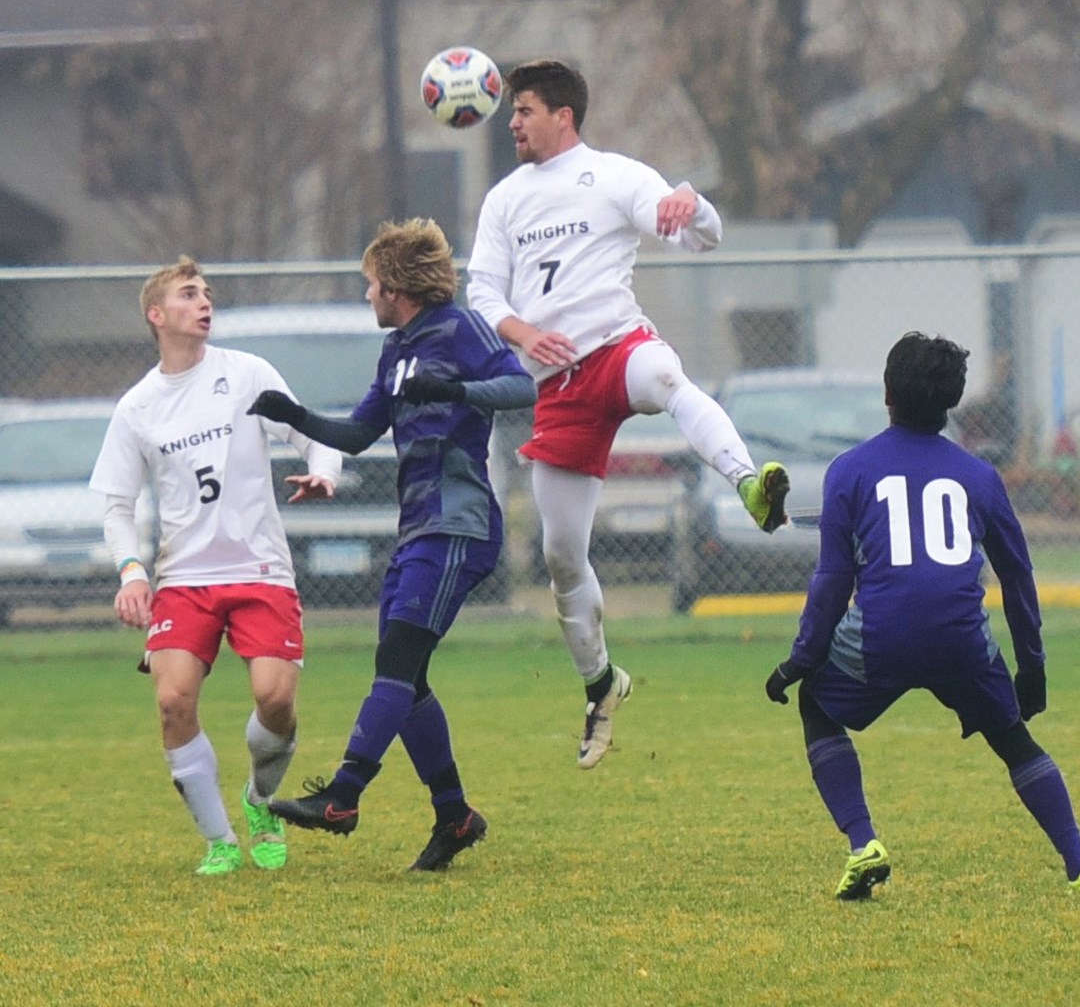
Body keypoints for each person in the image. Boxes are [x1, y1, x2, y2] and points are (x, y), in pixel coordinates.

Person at [466, 58, 790, 769]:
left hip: (619, 347)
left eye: (523, 110)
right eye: (511, 111)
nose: (512, 122)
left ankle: (748, 483)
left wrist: (689, 203)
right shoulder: (505, 200)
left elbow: (704, 234)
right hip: (558, 388)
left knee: (668, 375)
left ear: (563, 117)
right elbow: (484, 293)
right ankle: (601, 682)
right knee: (560, 556)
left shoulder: (614, 175)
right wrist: (523, 334)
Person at [764, 332, 1080, 900]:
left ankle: (863, 843)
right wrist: (1033, 666)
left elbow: (832, 580)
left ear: (887, 393)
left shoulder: (849, 471)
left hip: (880, 637)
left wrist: (801, 659)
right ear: (952, 402)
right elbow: (1017, 577)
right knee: (1014, 740)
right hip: (960, 639)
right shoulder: (980, 476)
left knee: (817, 704)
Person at [254, 218, 537, 872]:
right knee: (405, 676)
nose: (367, 296)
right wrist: (292, 417)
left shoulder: (460, 330)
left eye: (371, 284)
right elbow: (357, 435)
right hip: (417, 529)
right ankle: (455, 816)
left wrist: (455, 390)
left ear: (397, 286)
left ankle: (345, 794)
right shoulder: (396, 351)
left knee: (397, 661)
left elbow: (522, 385)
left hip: (458, 524)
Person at [89, 257, 342, 876]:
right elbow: (117, 505)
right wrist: (132, 572)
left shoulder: (247, 373)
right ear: (157, 315)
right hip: (184, 580)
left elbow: (316, 436)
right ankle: (220, 840)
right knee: (174, 701)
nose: (204, 302)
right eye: (188, 294)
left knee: (274, 699)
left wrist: (324, 473)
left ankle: (262, 802)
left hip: (260, 569)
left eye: (207, 293)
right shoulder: (138, 407)